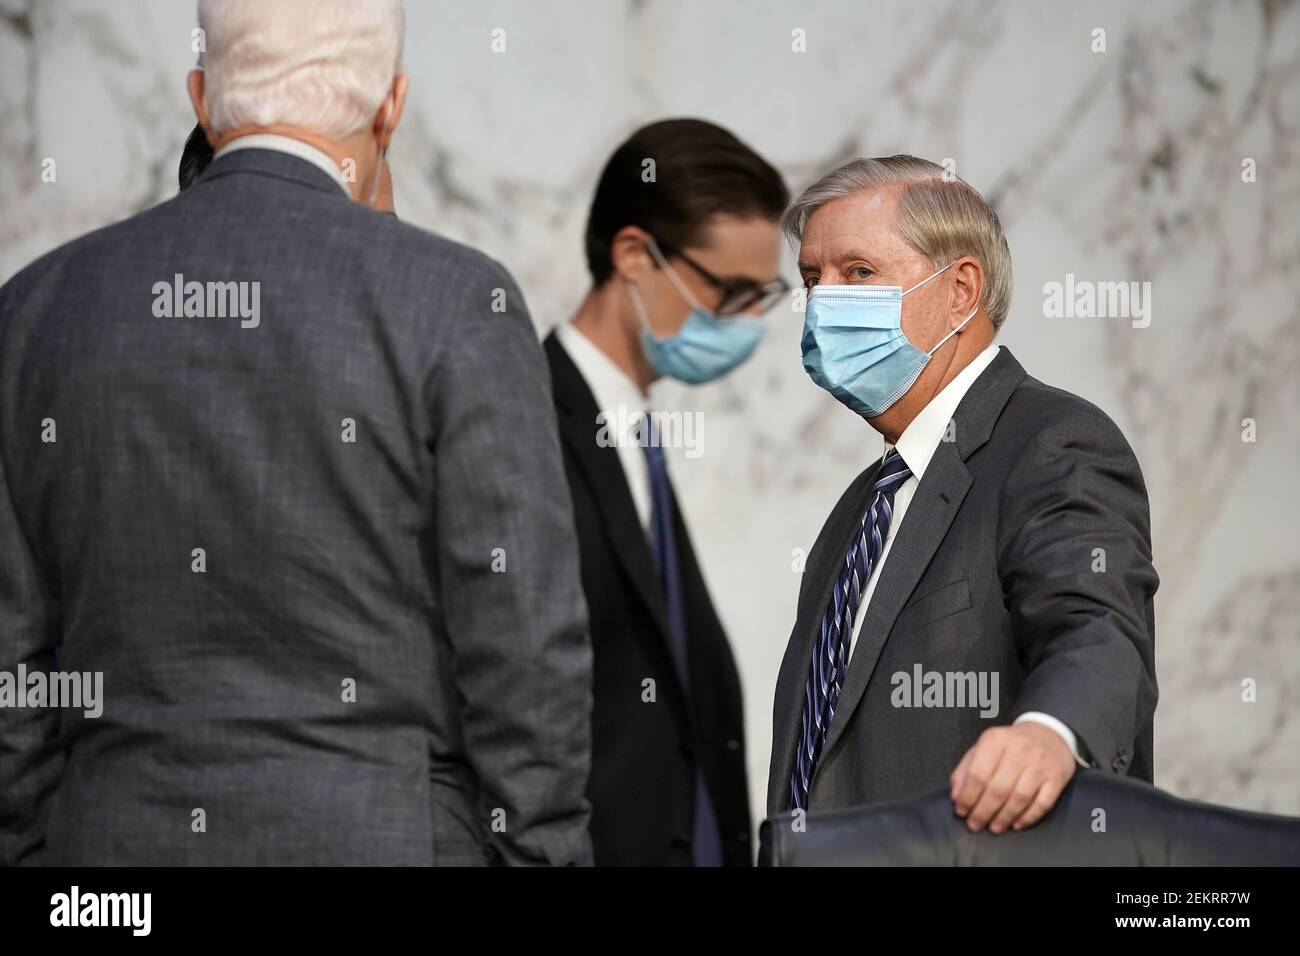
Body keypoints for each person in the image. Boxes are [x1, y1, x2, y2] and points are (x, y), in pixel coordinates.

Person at [0, 0, 592, 866]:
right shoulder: (458, 302)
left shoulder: (36, 308)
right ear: (391, 104)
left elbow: (13, 668)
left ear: (202, 99)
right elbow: (527, 648)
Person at [769, 156, 1158, 834]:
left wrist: (1048, 733)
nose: (824, 300)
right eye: (812, 278)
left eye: (858, 272)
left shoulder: (1053, 441)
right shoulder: (861, 508)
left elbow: (1097, 626)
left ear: (960, 290)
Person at [543, 119, 789, 865]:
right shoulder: (522, 422)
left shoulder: (640, 436)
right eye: (730, 293)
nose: (749, 324)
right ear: (632, 257)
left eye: (766, 296)